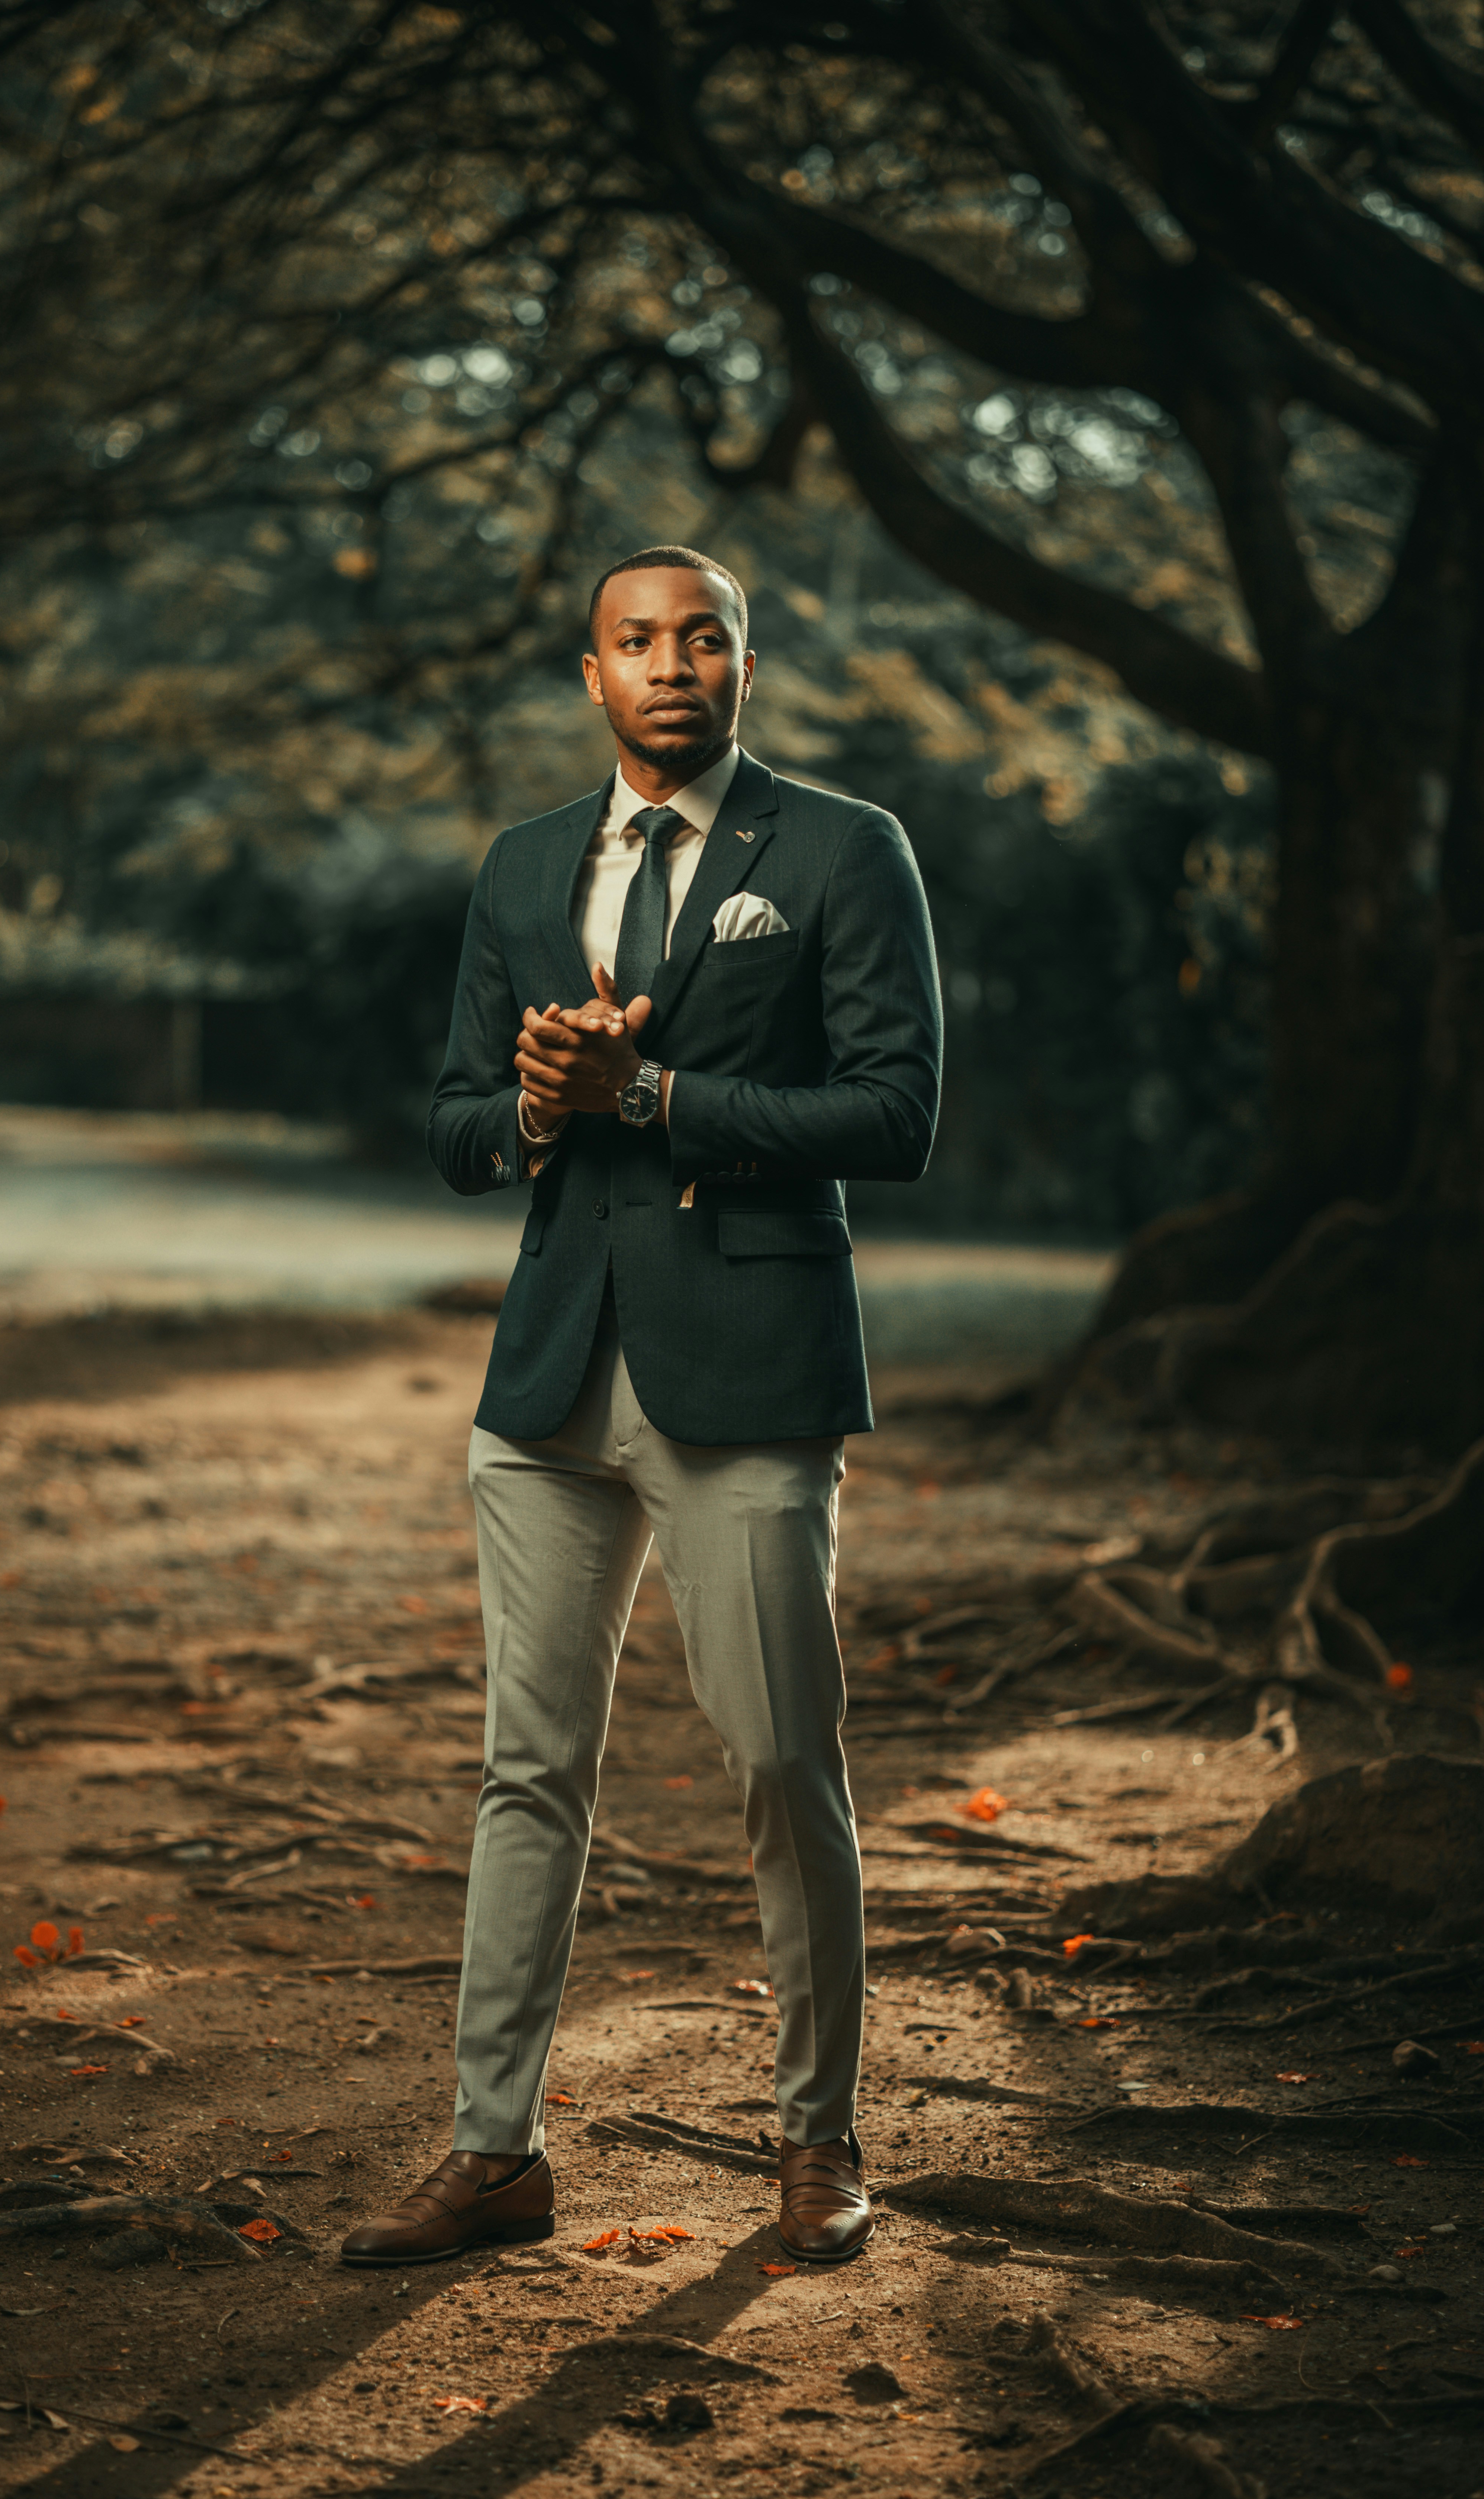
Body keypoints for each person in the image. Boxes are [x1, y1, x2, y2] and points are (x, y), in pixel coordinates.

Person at [339, 543, 941, 2271]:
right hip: (545, 1385)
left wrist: (658, 1091)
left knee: (778, 1764)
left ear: (743, 664)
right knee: (528, 1772)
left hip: (745, 1377)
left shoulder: (841, 849)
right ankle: (492, 2153)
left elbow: (898, 1112)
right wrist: (533, 1105)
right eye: (635, 641)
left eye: (703, 638)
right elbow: (457, 1130)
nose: (670, 665)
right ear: (590, 676)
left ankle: (819, 2143)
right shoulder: (528, 865)